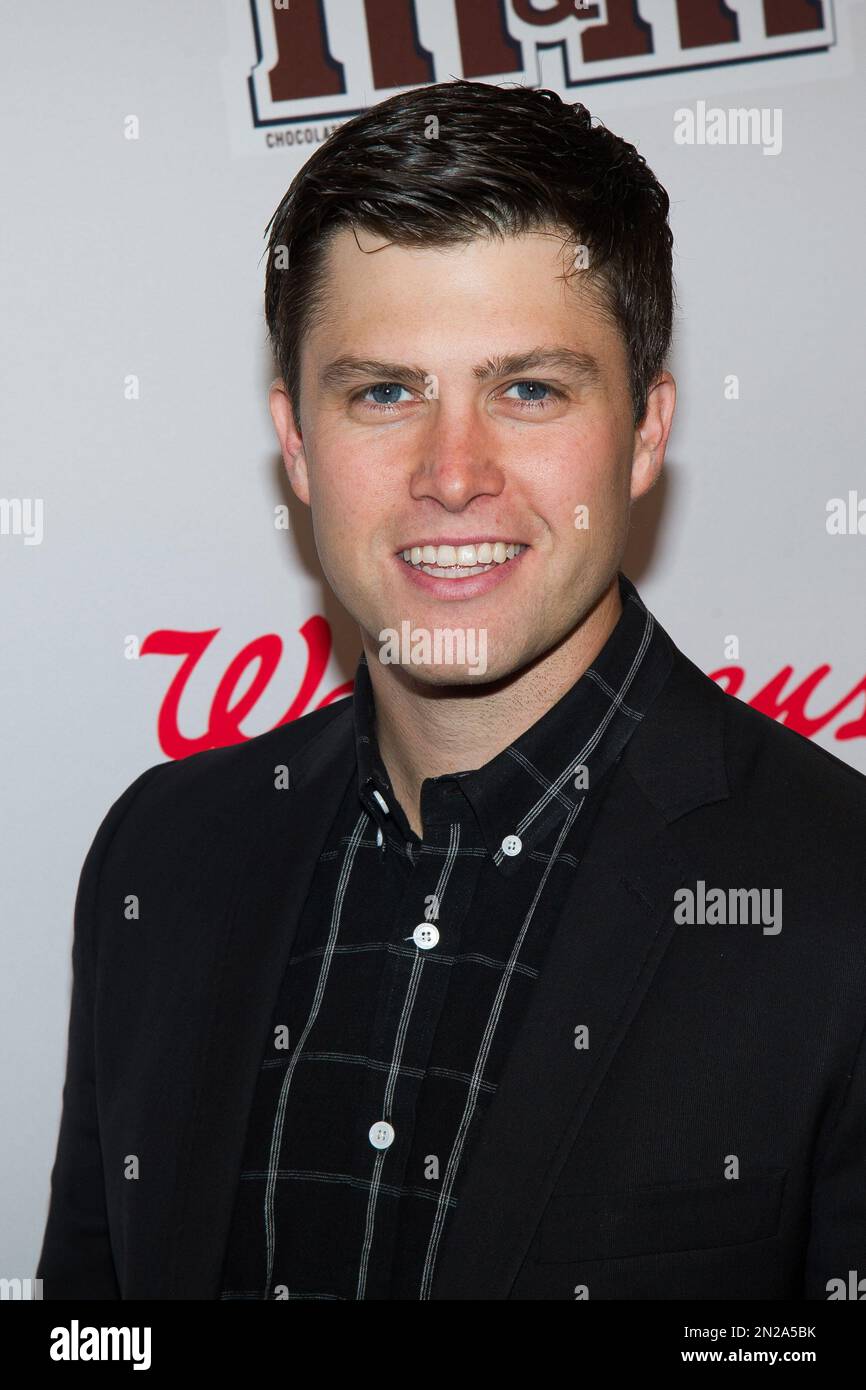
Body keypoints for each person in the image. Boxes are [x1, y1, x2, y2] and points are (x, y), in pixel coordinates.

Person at [37, 78, 866, 1301]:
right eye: (384, 391)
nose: (451, 473)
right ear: (299, 442)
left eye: (528, 389)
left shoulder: (838, 895)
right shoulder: (162, 855)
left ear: (642, 433)